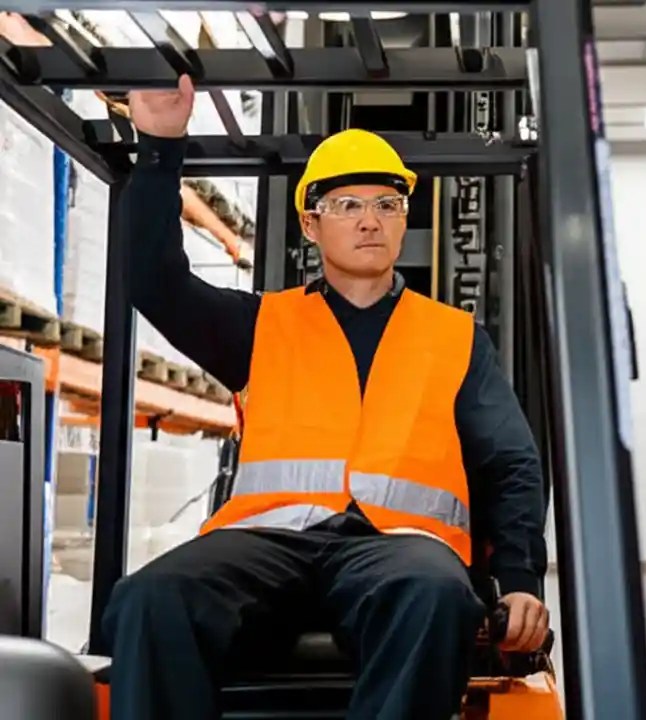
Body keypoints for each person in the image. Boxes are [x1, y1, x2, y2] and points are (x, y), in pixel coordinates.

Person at [101, 74, 550, 720]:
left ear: (404, 220)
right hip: (268, 543)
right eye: (347, 205)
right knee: (151, 597)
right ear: (310, 224)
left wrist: (520, 580)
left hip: (400, 548)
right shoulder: (259, 325)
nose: (370, 219)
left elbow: (512, 464)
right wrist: (161, 148)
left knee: (438, 594)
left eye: (387, 204)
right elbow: (154, 281)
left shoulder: (455, 336)